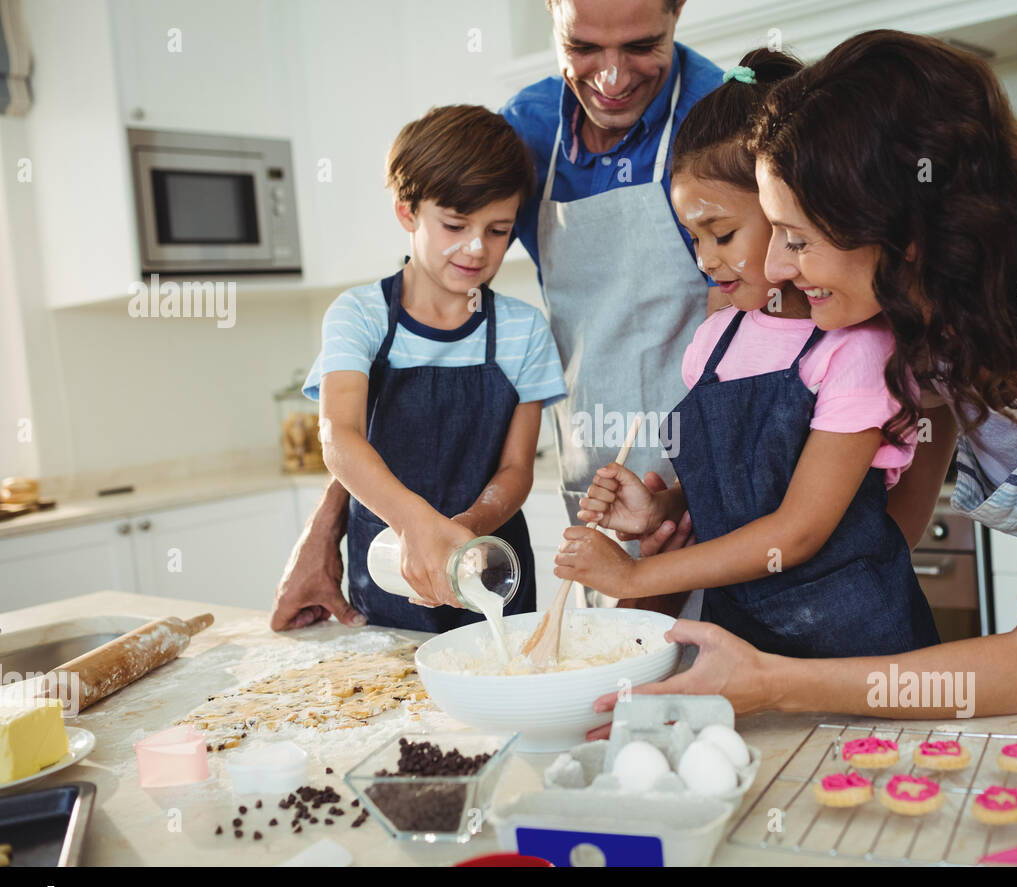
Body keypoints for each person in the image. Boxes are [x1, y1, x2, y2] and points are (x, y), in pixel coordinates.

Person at [587, 30, 1017, 731]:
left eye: (797, 239)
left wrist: (772, 682)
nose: (780, 270)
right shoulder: (918, 317)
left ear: (903, 231)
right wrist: (681, 512)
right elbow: (882, 524)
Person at [271, 0, 722, 629]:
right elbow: (431, 316)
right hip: (594, 476)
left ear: (679, 10)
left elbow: (760, 329)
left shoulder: (720, 121)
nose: (612, 78)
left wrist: (698, 495)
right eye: (583, 47)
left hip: (706, 471)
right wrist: (325, 531)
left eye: (642, 46)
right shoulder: (530, 131)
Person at [556, 49, 939, 658]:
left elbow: (798, 529)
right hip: (743, 641)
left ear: (785, 205)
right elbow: (738, 500)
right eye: (693, 238)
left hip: (860, 648)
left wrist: (633, 577)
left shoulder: (855, 349)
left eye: (722, 233)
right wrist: (663, 506)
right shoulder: (713, 344)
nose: (705, 259)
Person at [302, 105, 567, 632]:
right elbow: (340, 436)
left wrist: (464, 531)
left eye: (497, 230)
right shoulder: (360, 316)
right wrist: (415, 524)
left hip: (489, 566)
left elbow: (515, 470)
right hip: (388, 572)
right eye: (454, 224)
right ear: (407, 212)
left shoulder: (524, 330)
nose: (476, 247)